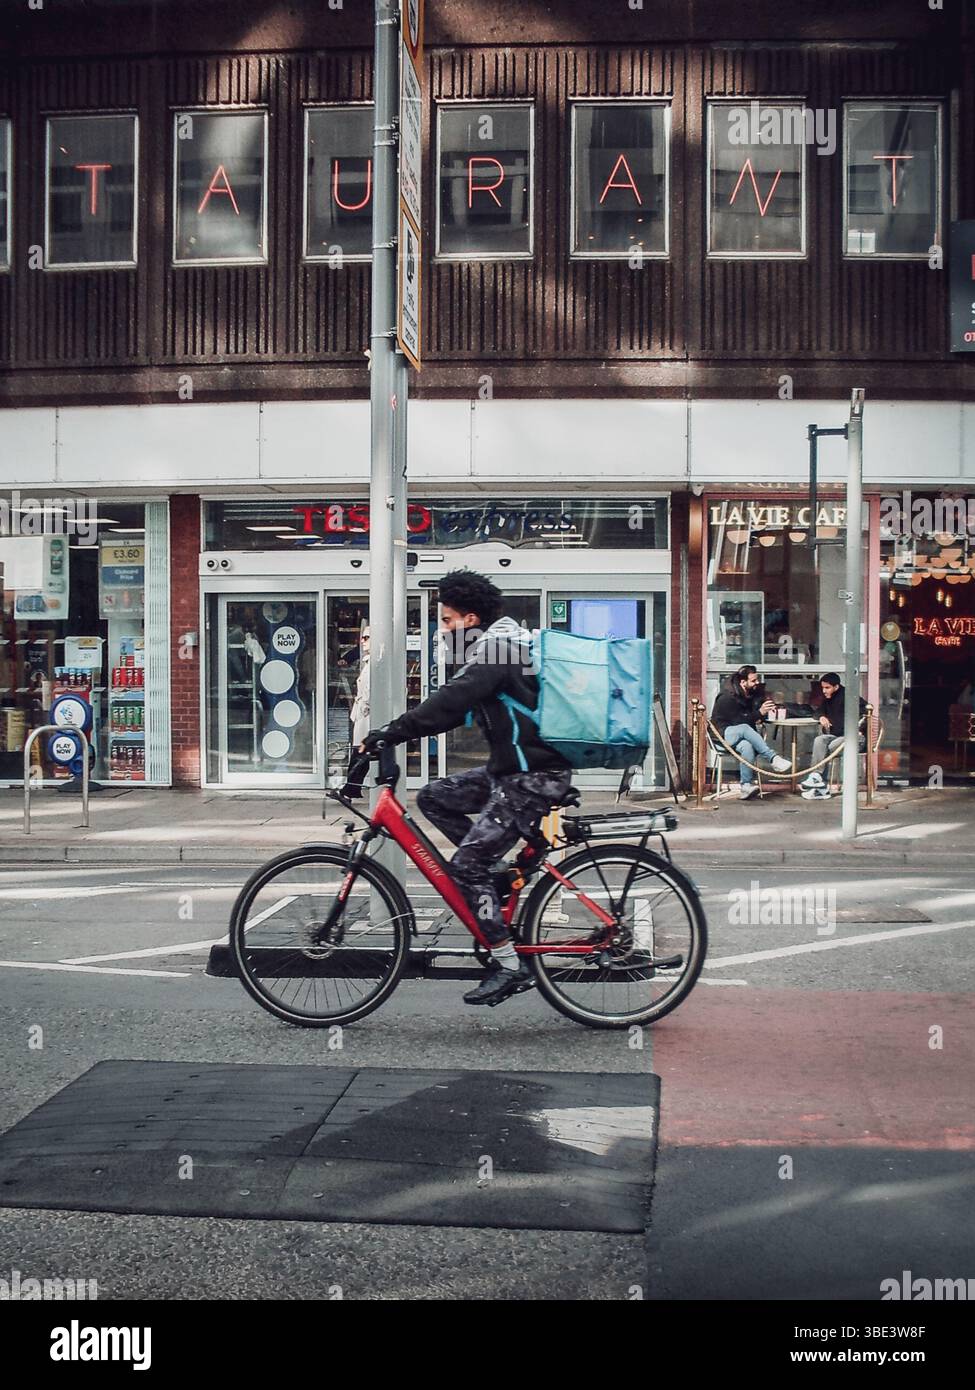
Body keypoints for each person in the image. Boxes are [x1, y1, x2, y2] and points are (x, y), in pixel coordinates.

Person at [358, 569, 573, 1006]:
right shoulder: (496, 646)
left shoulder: (497, 650)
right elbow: (458, 711)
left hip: (531, 778)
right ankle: (492, 877)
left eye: (447, 620)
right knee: (433, 797)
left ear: (470, 619)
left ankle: (508, 962)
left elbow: (449, 703)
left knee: (465, 867)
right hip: (510, 772)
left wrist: (389, 732)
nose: (442, 629)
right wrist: (395, 734)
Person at [711, 664, 793, 800]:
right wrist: (759, 713)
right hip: (722, 735)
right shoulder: (727, 697)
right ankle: (773, 758)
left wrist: (761, 710)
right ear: (743, 682)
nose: (757, 683)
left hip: (737, 735)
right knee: (744, 728)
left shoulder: (747, 695)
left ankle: (746, 786)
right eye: (754, 681)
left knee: (747, 746)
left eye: (757, 679)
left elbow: (749, 717)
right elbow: (740, 721)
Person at [799, 673, 867, 799]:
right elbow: (818, 711)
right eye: (823, 688)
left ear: (836, 687)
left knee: (825, 749)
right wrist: (821, 717)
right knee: (820, 740)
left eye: (827, 688)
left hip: (855, 738)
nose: (824, 691)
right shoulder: (828, 698)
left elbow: (866, 712)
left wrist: (860, 728)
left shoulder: (849, 696)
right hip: (837, 736)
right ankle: (817, 779)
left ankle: (820, 785)